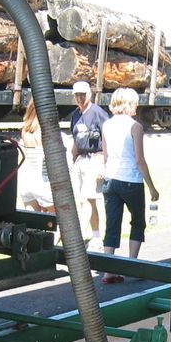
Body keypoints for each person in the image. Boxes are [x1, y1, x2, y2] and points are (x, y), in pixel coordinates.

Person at [99, 88, 160, 283]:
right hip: (131, 180)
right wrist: (151, 186)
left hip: (110, 179)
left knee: (112, 223)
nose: (136, 106)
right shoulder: (135, 127)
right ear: (128, 104)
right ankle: (132, 265)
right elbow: (139, 159)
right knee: (137, 221)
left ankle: (108, 269)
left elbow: (106, 155)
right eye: (134, 103)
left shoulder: (107, 125)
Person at [69, 81, 110, 250]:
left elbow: (108, 138)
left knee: (89, 198)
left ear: (89, 94)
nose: (80, 98)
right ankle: (95, 236)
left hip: (96, 157)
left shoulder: (98, 113)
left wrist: (104, 164)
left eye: (82, 95)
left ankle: (81, 236)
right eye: (77, 95)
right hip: (81, 159)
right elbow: (75, 138)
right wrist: (73, 158)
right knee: (84, 199)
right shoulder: (75, 115)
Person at [18, 99, 55, 213]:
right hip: (42, 181)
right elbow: (47, 156)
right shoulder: (45, 129)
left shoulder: (25, 129)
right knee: (57, 220)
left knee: (32, 221)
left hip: (27, 180)